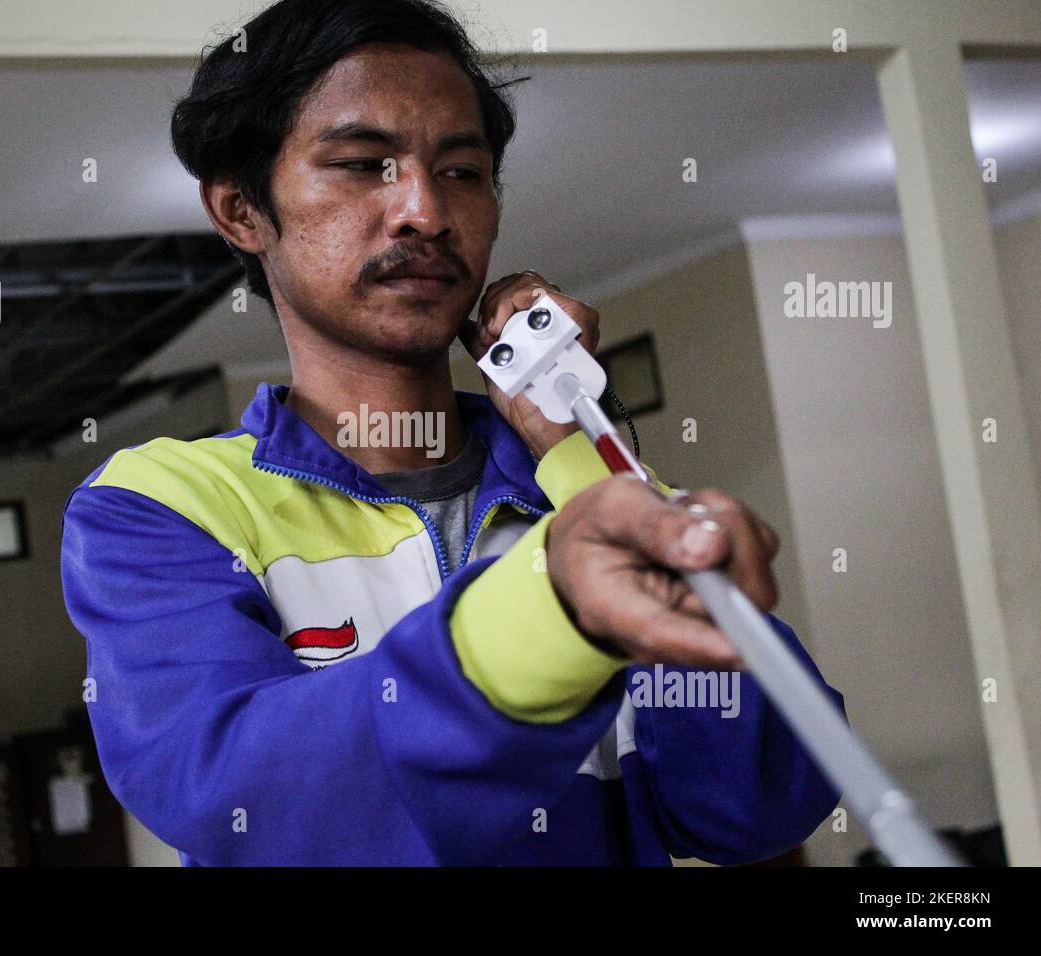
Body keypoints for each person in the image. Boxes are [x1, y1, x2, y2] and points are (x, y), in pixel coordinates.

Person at [60, 0, 844, 866]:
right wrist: (552, 613)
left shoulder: (584, 490)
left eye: (463, 171)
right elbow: (239, 798)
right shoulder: (162, 505)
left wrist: (576, 454)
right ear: (241, 210)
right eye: (363, 165)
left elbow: (759, 803)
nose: (425, 212)